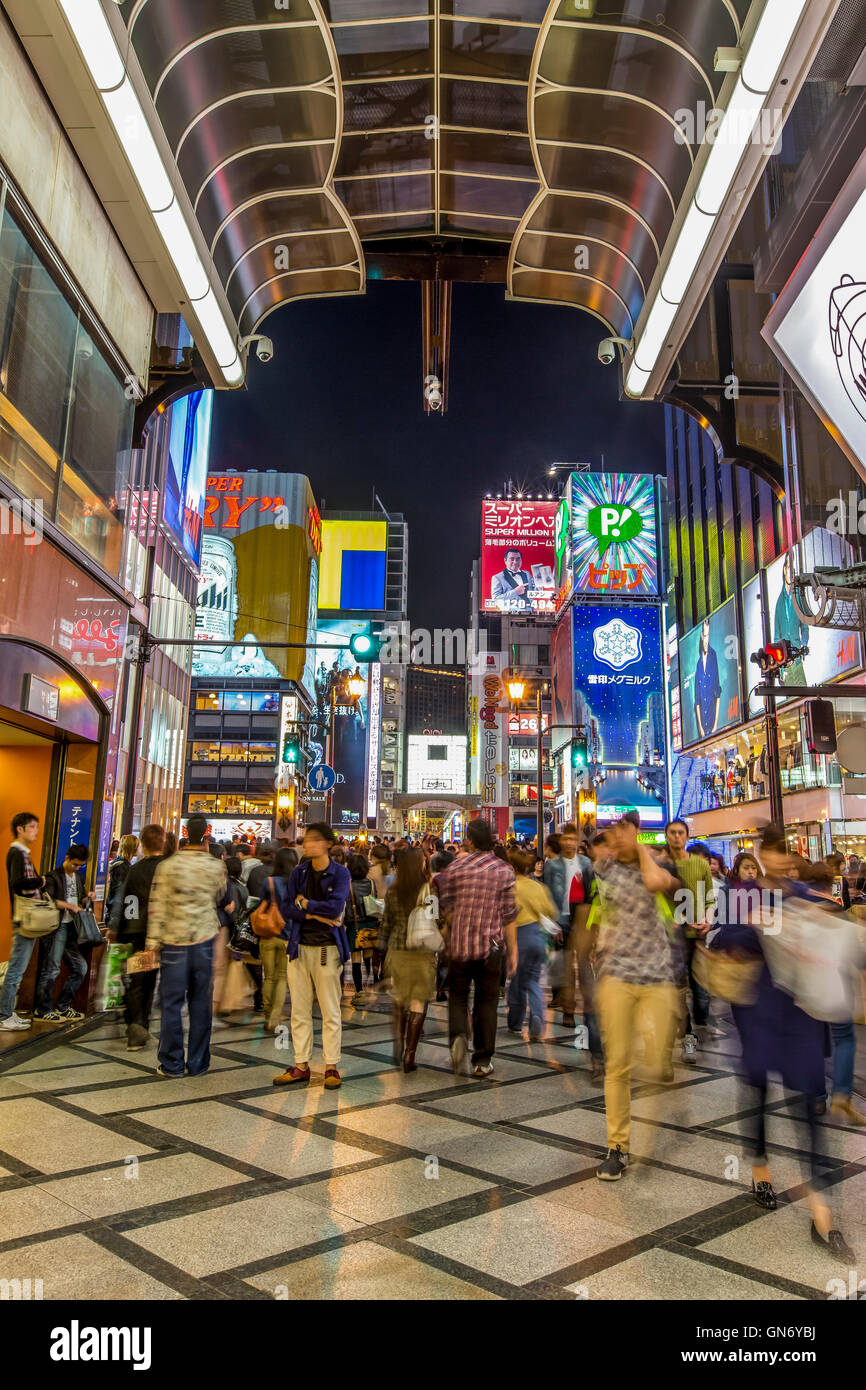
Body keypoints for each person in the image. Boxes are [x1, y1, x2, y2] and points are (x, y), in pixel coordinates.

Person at [712, 828, 856, 1258]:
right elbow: (722, 937)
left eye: (783, 854)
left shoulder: (803, 894)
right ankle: (760, 1169)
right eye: (770, 854)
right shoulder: (741, 896)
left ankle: (822, 1215)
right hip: (757, 1009)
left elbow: (833, 932)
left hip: (799, 1014)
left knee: (809, 1104)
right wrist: (754, 929)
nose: (778, 862)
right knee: (756, 1088)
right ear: (760, 855)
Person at [594, 814, 681, 1181]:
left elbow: (657, 882)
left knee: (658, 1061)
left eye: (622, 832)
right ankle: (617, 1146)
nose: (616, 839)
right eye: (612, 834)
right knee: (618, 1064)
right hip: (618, 975)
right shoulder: (604, 868)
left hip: (657, 975)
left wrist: (641, 847)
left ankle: (658, 1099)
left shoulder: (659, 863)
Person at [146, 813, 231, 1078]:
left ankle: (172, 1063)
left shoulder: (167, 866)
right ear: (206, 834)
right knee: (201, 1003)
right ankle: (198, 1062)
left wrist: (152, 944)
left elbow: (157, 906)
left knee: (171, 1004)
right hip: (204, 940)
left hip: (174, 940)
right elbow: (220, 895)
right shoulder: (216, 866)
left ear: (185, 833)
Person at [269, 823, 351, 1089]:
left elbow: (335, 908)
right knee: (299, 1010)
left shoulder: (340, 873)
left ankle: (331, 1066)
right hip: (298, 946)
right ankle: (301, 1065)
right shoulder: (299, 872)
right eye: (307, 839)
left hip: (327, 948)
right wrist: (315, 914)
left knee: (330, 1009)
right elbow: (286, 908)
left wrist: (304, 904)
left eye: (314, 839)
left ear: (328, 843)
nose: (308, 844)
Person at [436, 818, 517, 1079]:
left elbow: (447, 908)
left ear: (469, 840)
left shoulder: (456, 867)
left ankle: (459, 1035)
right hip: (490, 949)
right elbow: (509, 915)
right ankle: (482, 1060)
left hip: (459, 945)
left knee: (458, 996)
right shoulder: (504, 870)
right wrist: (513, 951)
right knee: (487, 1002)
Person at [379, 846, 442, 1070]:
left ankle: (398, 1047)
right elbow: (437, 919)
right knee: (418, 1002)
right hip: (422, 952)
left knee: (400, 999)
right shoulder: (429, 890)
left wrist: (380, 949)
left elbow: (386, 923)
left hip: (397, 951)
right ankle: (410, 1055)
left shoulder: (393, 891)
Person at [662, 818, 718, 1062]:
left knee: (700, 990)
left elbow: (709, 897)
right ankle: (687, 1035)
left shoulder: (700, 864)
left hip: (698, 935)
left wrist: (707, 920)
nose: (676, 837)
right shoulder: (662, 865)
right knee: (677, 988)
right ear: (667, 836)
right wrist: (682, 920)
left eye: (680, 832)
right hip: (671, 935)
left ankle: (696, 1024)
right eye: (672, 833)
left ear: (687, 836)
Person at [116, 823, 165, 1050]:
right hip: (160, 934)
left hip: (136, 932)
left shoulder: (135, 870)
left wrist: (119, 930)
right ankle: (140, 1024)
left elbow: (125, 900)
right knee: (151, 980)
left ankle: (136, 1024)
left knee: (137, 980)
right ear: (163, 842)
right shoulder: (167, 868)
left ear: (142, 844)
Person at [36, 843, 95, 1022]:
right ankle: (43, 1009)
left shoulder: (78, 877)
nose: (76, 868)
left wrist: (87, 898)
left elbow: (81, 898)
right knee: (52, 968)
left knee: (81, 967)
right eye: (75, 864)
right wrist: (69, 905)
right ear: (67, 858)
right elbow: (50, 900)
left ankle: (63, 1006)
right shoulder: (53, 877)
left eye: (80, 866)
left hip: (72, 927)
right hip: (57, 926)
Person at [1, 812, 48, 1030]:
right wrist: (40, 881)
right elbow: (18, 882)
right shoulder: (17, 853)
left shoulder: (22, 853)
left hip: (27, 916)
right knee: (16, 967)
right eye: (32, 827)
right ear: (20, 829)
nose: (36, 831)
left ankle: (7, 1011)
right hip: (24, 916)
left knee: (18, 967)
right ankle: (4, 1014)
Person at [543, 822, 592, 1026]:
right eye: (566, 838)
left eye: (573, 839)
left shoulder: (586, 863)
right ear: (561, 840)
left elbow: (592, 892)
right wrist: (551, 924)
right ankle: (568, 1010)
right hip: (561, 921)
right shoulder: (552, 865)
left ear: (578, 841)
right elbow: (546, 894)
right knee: (566, 969)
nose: (569, 842)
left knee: (585, 967)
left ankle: (590, 1010)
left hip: (582, 920)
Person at [507, 848, 558, 1041]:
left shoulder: (511, 887)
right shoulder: (538, 887)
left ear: (512, 867)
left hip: (519, 936)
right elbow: (551, 913)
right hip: (537, 936)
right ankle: (537, 1016)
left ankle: (515, 1023)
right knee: (533, 981)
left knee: (517, 984)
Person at [256, 847, 297, 1033]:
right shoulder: (296, 883)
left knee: (269, 977)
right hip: (288, 934)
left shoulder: (269, 882)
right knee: (282, 978)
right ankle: (274, 1016)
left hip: (268, 933)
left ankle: (267, 1013)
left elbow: (261, 905)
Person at [345, 854, 378, 1005]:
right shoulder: (371, 883)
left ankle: (359, 991)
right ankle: (367, 985)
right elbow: (374, 902)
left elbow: (347, 908)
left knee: (356, 959)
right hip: (370, 923)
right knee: (368, 956)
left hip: (355, 925)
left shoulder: (348, 885)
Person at [693, 618, 721, 738]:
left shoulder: (713, 656)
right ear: (701, 636)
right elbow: (697, 701)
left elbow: (717, 693)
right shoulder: (698, 664)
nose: (706, 640)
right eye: (705, 636)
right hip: (703, 728)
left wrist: (715, 724)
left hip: (712, 723)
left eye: (708, 636)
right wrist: (701, 729)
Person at [106, 834, 139, 932]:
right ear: (132, 848)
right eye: (137, 846)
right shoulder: (123, 867)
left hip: (113, 910)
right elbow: (120, 892)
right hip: (118, 914)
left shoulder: (118, 864)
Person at [490, 547, 533, 612]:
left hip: (530, 613)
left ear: (521, 560)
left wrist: (540, 587)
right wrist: (515, 592)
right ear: (505, 560)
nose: (515, 562)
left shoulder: (527, 574)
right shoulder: (497, 578)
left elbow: (532, 592)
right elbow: (496, 600)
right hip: (509, 614)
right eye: (512, 559)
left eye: (518, 559)